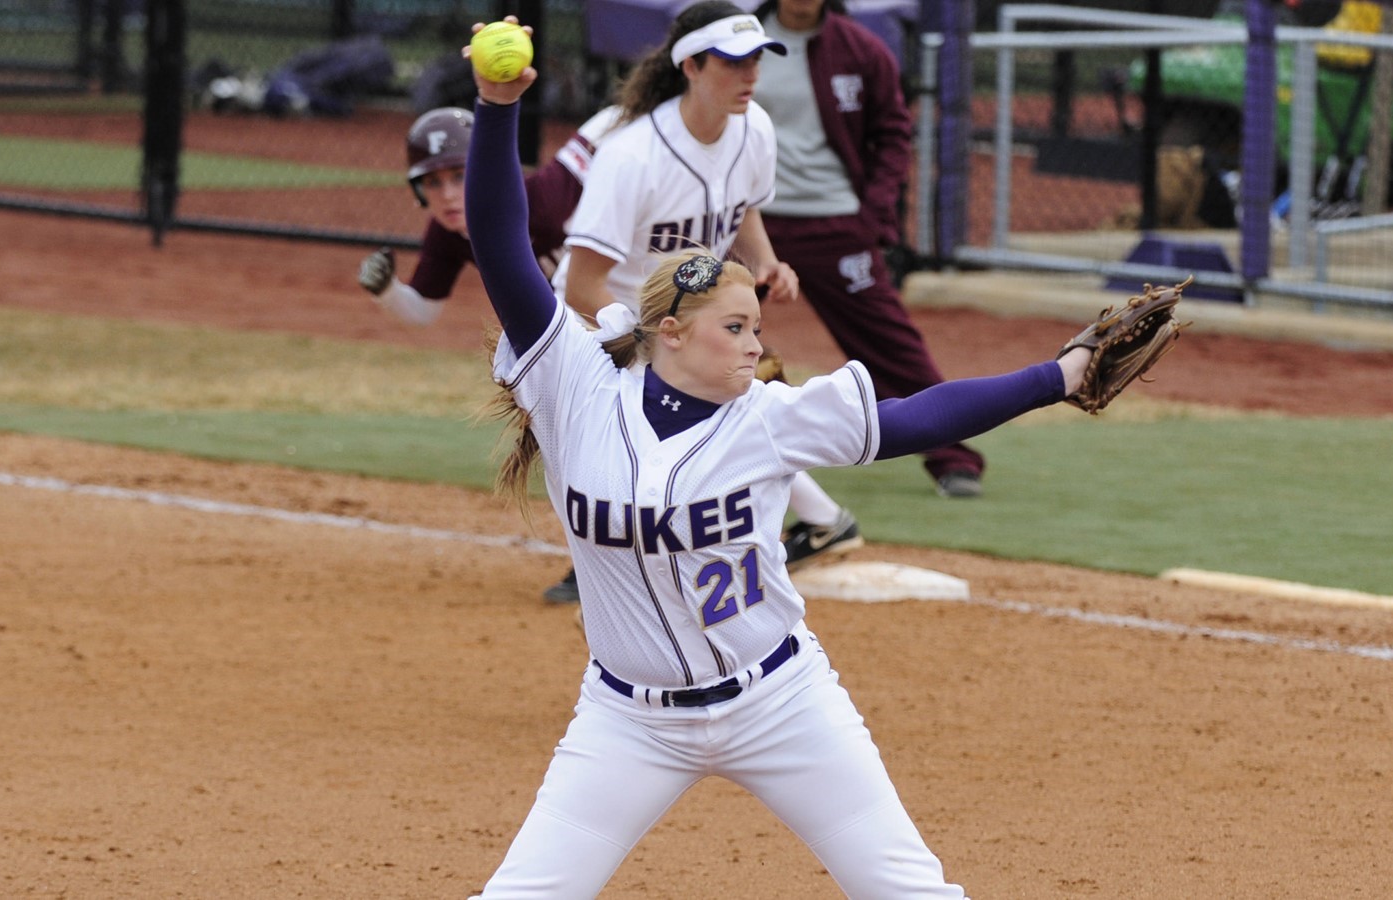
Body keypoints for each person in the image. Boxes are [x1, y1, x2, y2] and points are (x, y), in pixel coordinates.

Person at [460, 17, 1165, 897]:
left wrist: (1057, 376)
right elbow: (498, 247)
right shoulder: (574, 385)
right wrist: (496, 110)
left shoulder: (772, 419)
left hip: (781, 704)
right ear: (668, 331)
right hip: (626, 724)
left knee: (912, 891)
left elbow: (919, 415)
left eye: (757, 324)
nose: (757, 346)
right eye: (736, 327)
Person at [552, 0, 863, 572]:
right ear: (690, 67)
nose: (750, 76)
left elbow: (742, 209)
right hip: (597, 317)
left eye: (757, 61)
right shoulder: (632, 156)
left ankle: (823, 522)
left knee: (723, 410)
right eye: (733, 62)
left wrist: (766, 262)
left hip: (679, 322)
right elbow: (579, 284)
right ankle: (605, 557)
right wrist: (649, 342)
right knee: (606, 440)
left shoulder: (754, 131)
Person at [357, 102, 619, 604]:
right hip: (570, 349)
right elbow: (423, 311)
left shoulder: (543, 195)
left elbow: (597, 131)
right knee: (576, 444)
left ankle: (816, 518)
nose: (449, 194)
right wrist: (387, 290)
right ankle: (597, 564)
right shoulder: (449, 233)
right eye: (432, 183)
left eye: (460, 174)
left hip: (625, 318)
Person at [751, 0, 987, 499]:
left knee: (889, 345)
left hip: (835, 223)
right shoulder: (737, 42)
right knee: (699, 329)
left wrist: (870, 215)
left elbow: (894, 133)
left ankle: (953, 457)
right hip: (749, 224)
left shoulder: (860, 48)